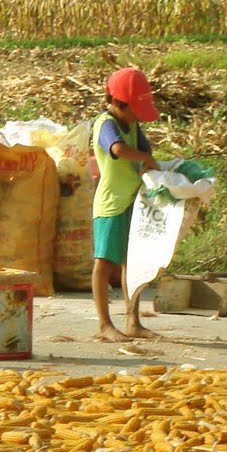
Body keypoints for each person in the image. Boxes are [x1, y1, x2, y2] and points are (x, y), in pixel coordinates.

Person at [91, 67, 161, 342]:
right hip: (111, 203)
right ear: (119, 103)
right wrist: (144, 158)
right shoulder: (105, 123)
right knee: (104, 263)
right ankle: (104, 325)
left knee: (132, 264)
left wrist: (149, 162)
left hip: (133, 199)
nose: (136, 117)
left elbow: (146, 149)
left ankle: (133, 320)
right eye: (134, 110)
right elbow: (118, 150)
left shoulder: (133, 124)